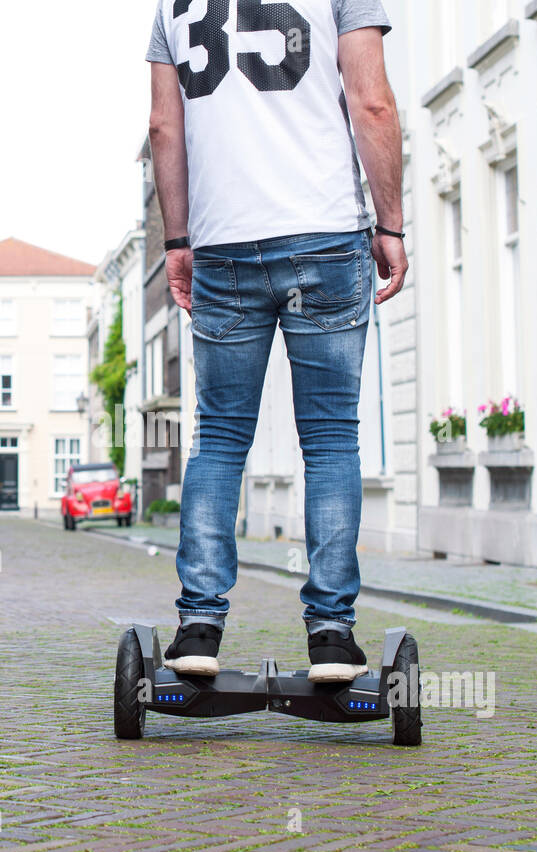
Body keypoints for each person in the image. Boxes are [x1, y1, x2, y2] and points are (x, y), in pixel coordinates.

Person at [146, 0, 407, 683]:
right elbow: (371, 102)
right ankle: (329, 632)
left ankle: (199, 623)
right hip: (323, 232)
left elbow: (163, 126)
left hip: (225, 243)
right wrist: (392, 225)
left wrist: (179, 241)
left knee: (221, 437)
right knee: (328, 436)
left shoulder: (173, 5)